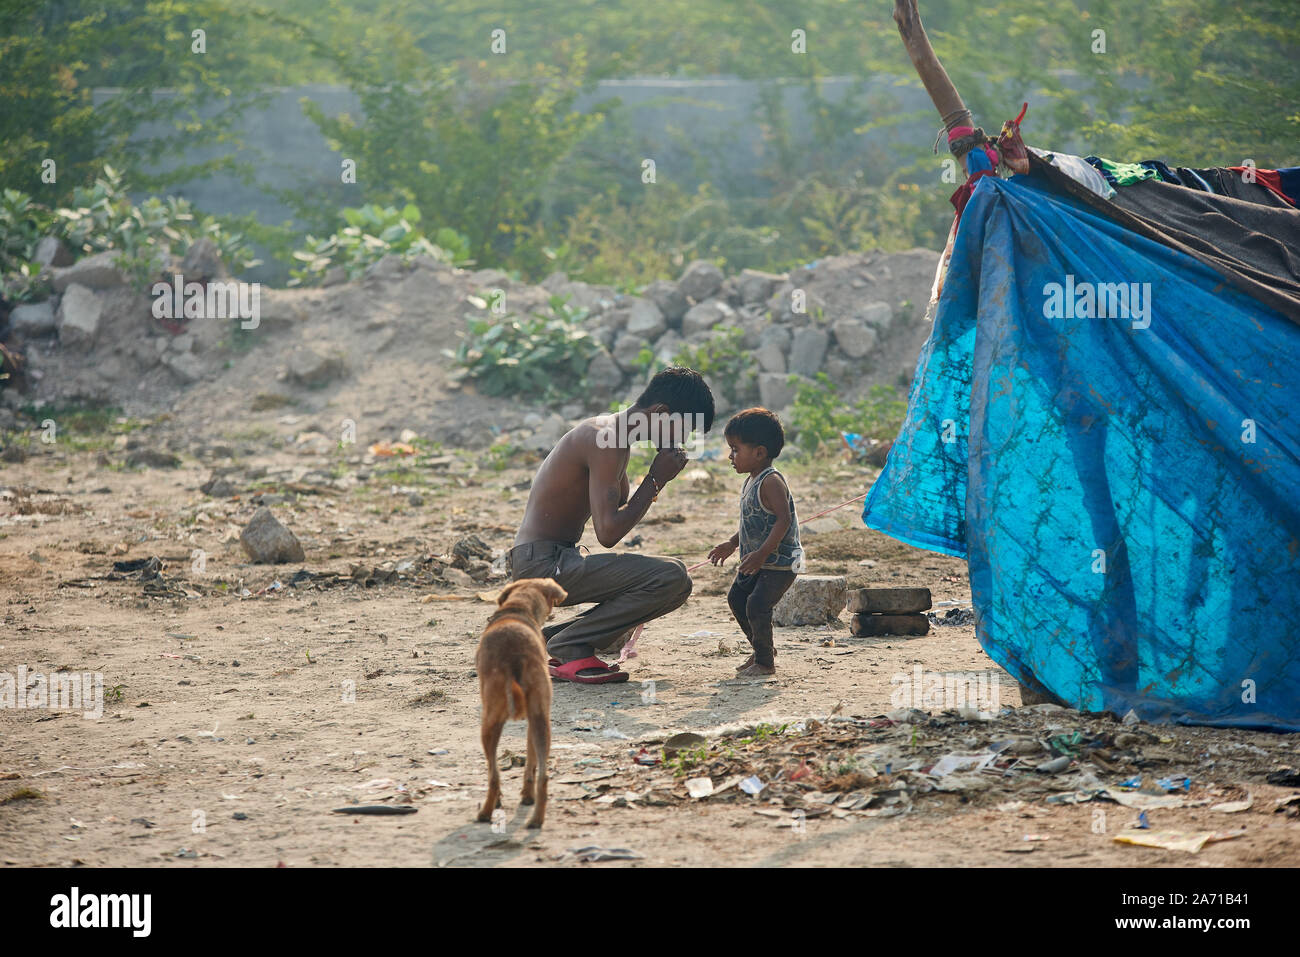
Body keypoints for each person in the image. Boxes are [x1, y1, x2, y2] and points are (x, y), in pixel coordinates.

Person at [508, 367, 715, 684]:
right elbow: (608, 533)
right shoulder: (607, 439)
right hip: (542, 564)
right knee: (671, 576)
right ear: (660, 413)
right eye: (682, 430)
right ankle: (567, 645)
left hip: (554, 559)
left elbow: (615, 510)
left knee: (678, 578)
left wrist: (654, 482)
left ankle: (553, 639)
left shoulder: (615, 436)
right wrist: (656, 479)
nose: (682, 440)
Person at [708, 408, 803, 677]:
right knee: (737, 598)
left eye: (735, 449)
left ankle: (765, 663)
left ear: (759, 452)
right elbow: (755, 522)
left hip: (780, 562)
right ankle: (762, 649)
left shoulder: (771, 481)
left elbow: (782, 521)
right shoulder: (751, 481)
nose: (730, 456)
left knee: (757, 605)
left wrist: (761, 554)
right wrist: (732, 543)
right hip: (759, 560)